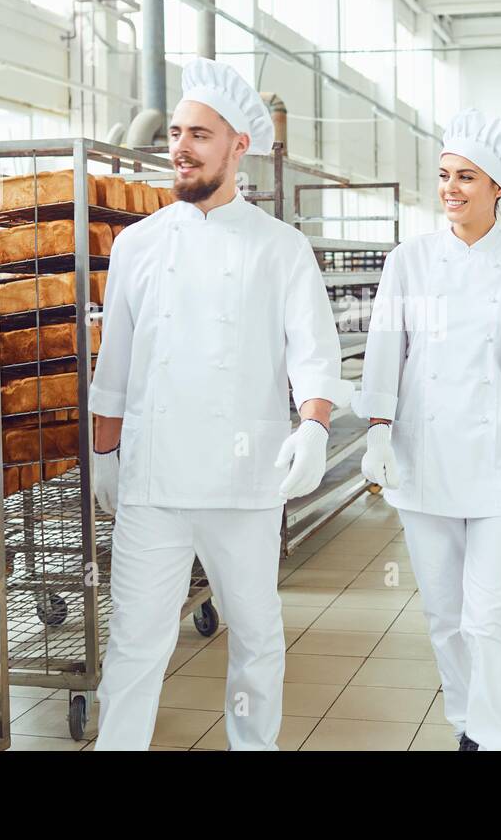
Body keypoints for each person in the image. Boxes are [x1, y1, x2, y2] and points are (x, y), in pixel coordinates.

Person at [88, 57, 349, 750]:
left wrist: (315, 428)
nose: (180, 147)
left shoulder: (281, 249)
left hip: (244, 480)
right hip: (153, 479)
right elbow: (114, 366)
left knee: (258, 635)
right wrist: (104, 453)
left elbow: (314, 357)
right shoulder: (137, 246)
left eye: (199, 134)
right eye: (175, 132)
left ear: (239, 146)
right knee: (135, 642)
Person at [359, 109, 501, 751]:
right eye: (445, 175)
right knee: (443, 613)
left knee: (489, 613)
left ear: (497, 188)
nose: (451, 188)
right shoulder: (409, 261)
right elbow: (383, 350)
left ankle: (492, 734)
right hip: (422, 460)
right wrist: (377, 430)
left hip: (499, 465)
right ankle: (463, 717)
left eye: (467, 177)